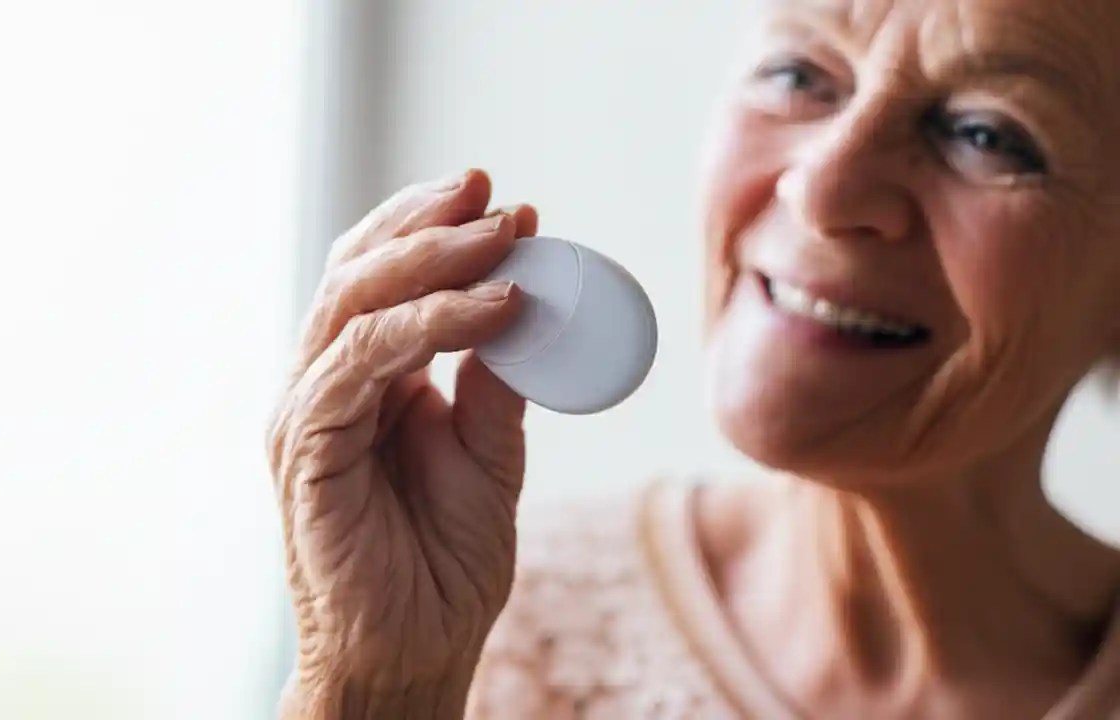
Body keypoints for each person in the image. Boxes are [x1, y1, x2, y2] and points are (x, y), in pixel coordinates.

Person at [268, 0, 1120, 717]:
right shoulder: (494, 623)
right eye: (800, 75)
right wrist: (380, 689)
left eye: (986, 135)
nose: (822, 189)